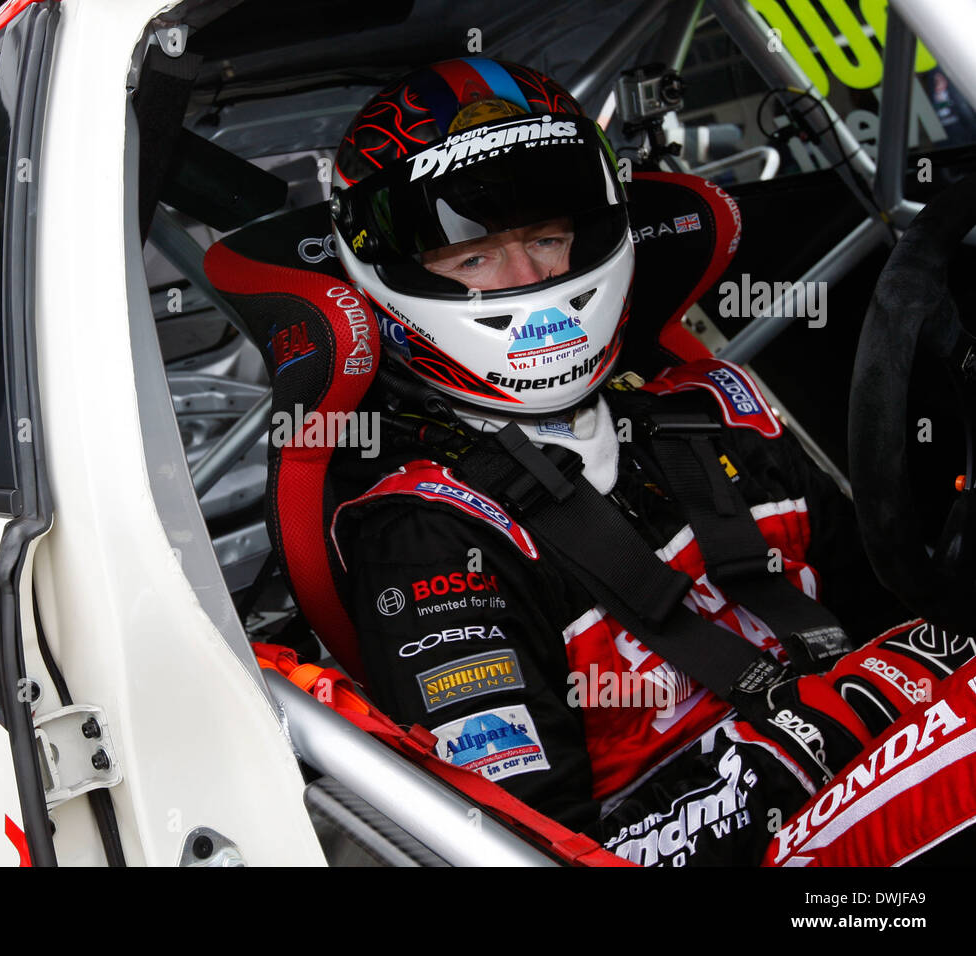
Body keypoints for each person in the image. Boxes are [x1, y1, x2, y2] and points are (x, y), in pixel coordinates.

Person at [322, 58, 963, 865]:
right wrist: (810, 745)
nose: (530, 281)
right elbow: (535, 846)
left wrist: (873, 700)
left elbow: (891, 613)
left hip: (874, 768)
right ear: (397, 276)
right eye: (475, 257)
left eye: (547, 240)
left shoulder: (714, 409)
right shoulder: (430, 532)